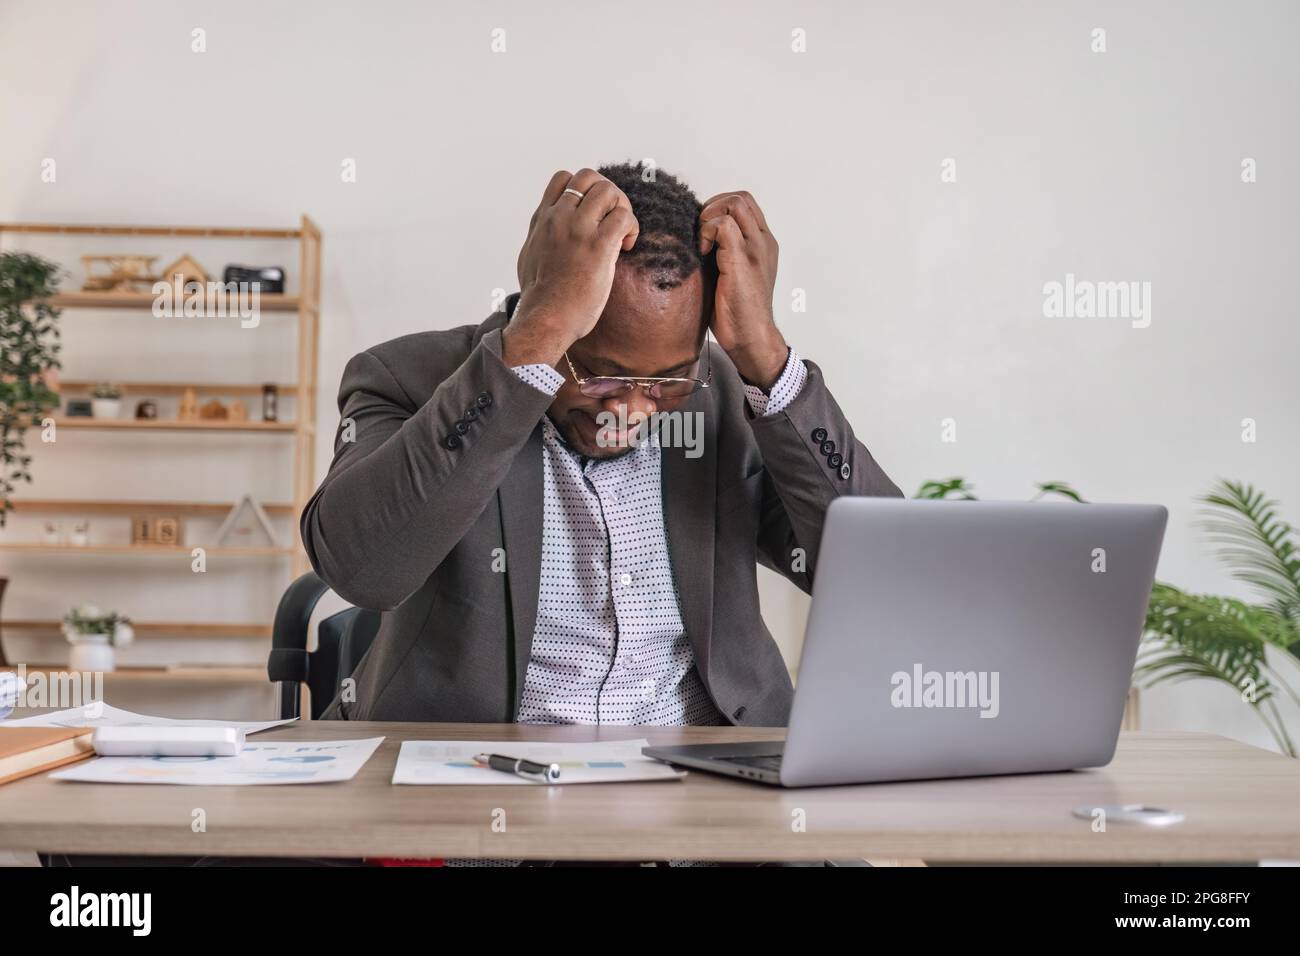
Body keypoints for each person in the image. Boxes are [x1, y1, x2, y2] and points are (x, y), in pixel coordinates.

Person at [302, 162, 902, 727]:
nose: (632, 409)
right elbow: (364, 570)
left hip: (705, 778)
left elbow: (882, 578)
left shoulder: (726, 397)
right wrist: (531, 344)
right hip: (483, 782)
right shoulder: (408, 377)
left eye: (665, 381)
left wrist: (767, 359)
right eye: (601, 375)